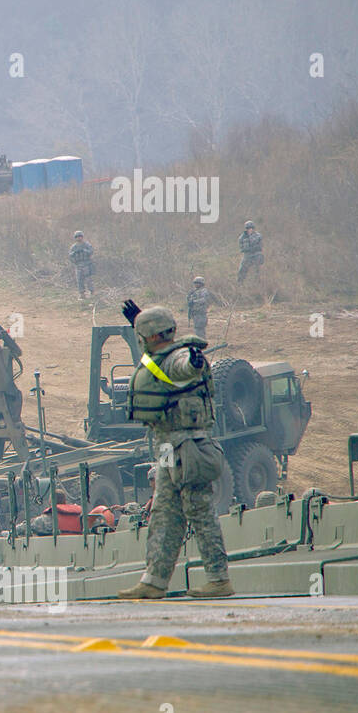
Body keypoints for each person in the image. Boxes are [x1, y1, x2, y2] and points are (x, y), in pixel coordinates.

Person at [117, 301, 234, 599]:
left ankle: (219, 578)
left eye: (143, 335)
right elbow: (160, 362)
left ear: (151, 337)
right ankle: (154, 580)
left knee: (199, 508)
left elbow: (184, 368)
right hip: (168, 447)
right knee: (164, 512)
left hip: (188, 448)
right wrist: (140, 320)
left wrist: (194, 363)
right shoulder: (161, 355)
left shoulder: (181, 357)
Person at [68, 230, 95, 299]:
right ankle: (82, 294)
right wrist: (74, 254)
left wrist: (84, 251)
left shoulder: (86, 244)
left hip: (87, 264)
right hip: (78, 265)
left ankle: (92, 292)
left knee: (89, 279)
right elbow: (70, 255)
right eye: (77, 237)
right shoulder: (73, 247)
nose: (78, 238)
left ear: (82, 237)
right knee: (79, 280)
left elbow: (91, 251)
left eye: (80, 236)